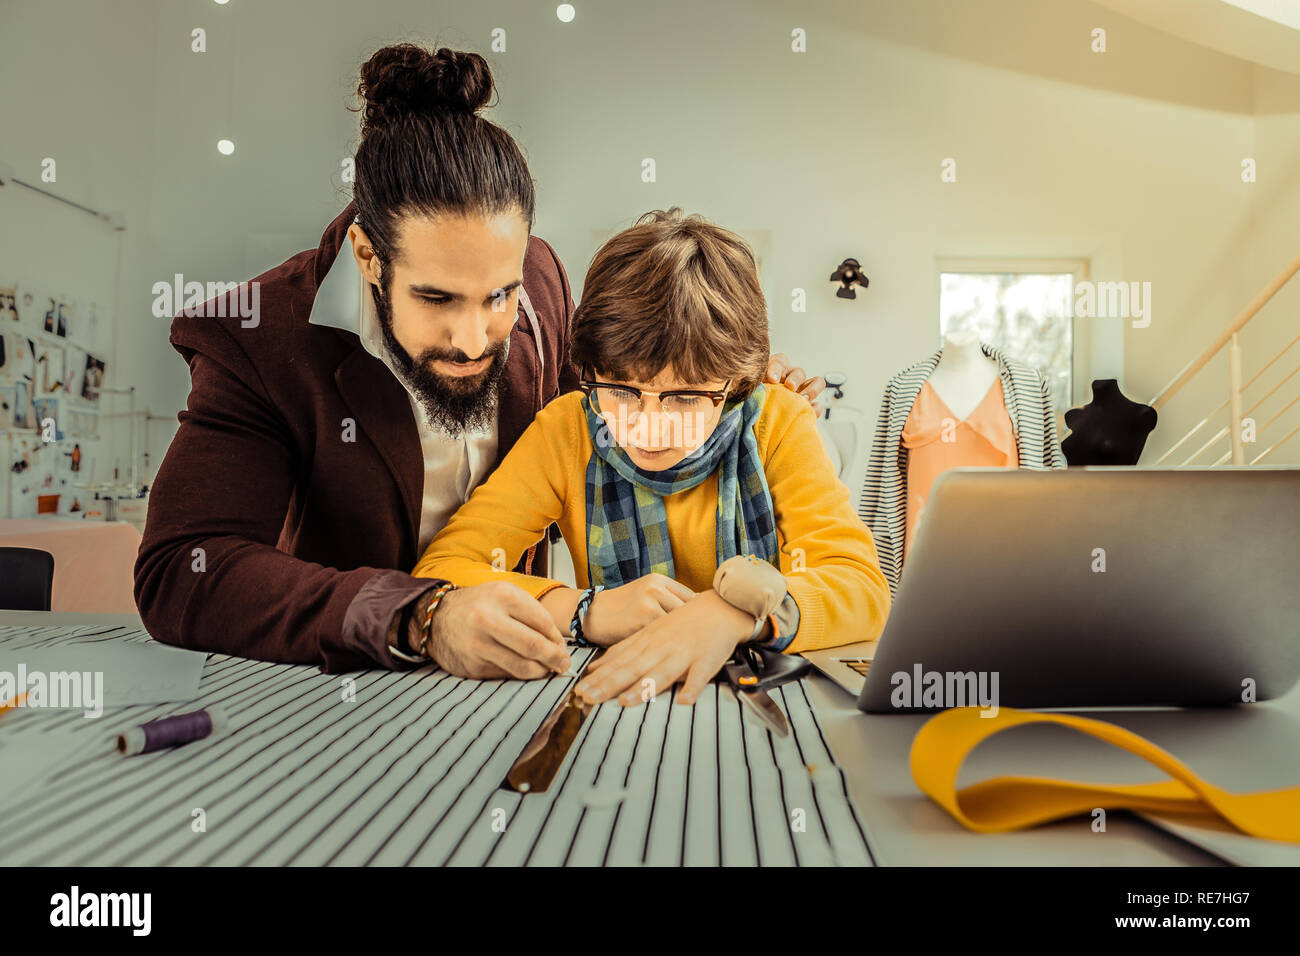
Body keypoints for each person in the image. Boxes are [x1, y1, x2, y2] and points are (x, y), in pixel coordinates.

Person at [134, 43, 823, 678]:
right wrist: (419, 616)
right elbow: (184, 569)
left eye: (499, 295)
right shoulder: (256, 334)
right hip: (335, 686)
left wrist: (721, 381)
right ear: (367, 256)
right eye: (436, 298)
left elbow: (604, 398)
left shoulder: (546, 280)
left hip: (517, 670)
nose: (473, 339)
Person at [413, 209, 890, 706]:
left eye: (684, 396)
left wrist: (734, 615)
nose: (647, 425)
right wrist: (587, 611)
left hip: (757, 698)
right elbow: (443, 569)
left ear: (733, 385)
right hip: (621, 703)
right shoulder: (568, 428)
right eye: (621, 389)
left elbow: (860, 587)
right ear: (591, 369)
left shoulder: (778, 421)